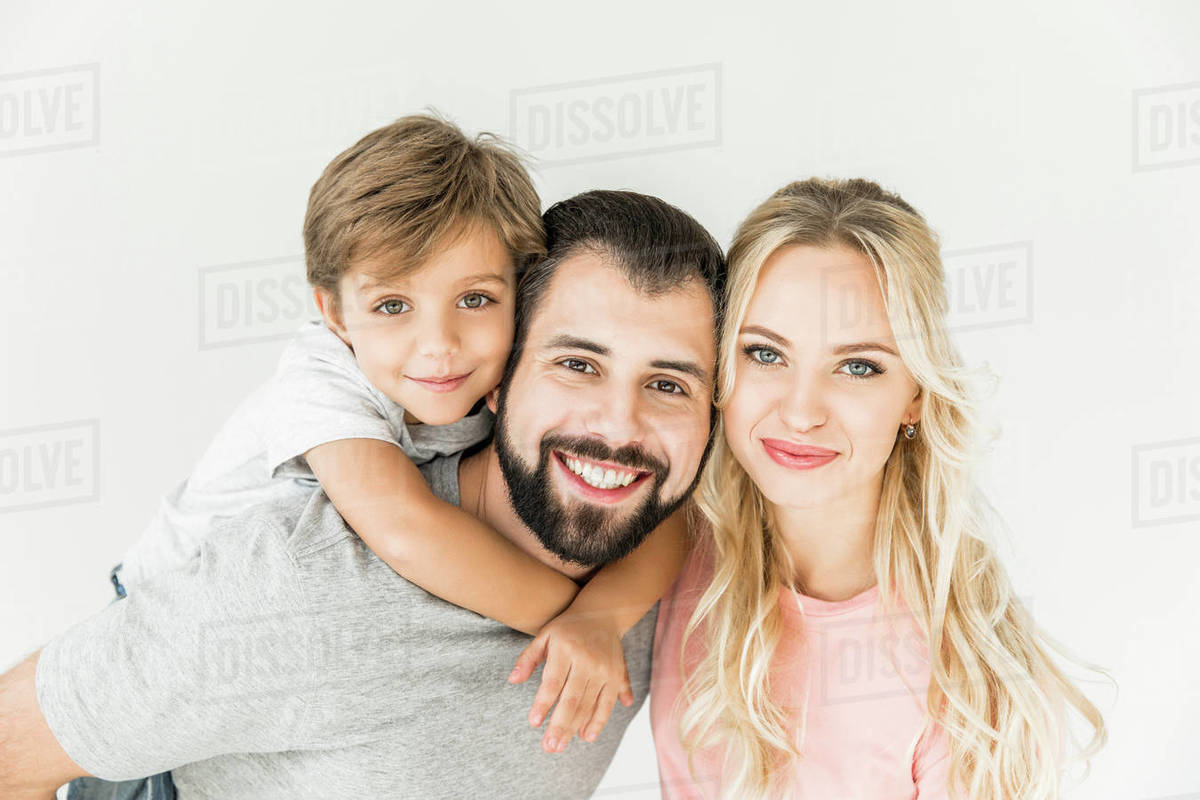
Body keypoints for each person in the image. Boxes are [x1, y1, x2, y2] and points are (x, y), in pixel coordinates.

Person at [0, 189, 725, 800]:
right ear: (499, 374)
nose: (621, 428)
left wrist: (599, 614)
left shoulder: (666, 559)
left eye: (668, 385)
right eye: (576, 364)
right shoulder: (295, 582)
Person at [113, 113, 690, 755]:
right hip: (157, 613)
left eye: (474, 300)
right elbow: (403, 528)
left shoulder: (509, 376)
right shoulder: (321, 378)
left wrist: (603, 615)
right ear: (334, 312)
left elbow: (673, 519)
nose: (439, 346)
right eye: (393, 307)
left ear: (521, 292)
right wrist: (574, 619)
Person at [650, 178, 1107, 799]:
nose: (802, 411)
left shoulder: (969, 679)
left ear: (915, 394)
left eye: (858, 366)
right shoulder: (674, 546)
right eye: (764, 353)